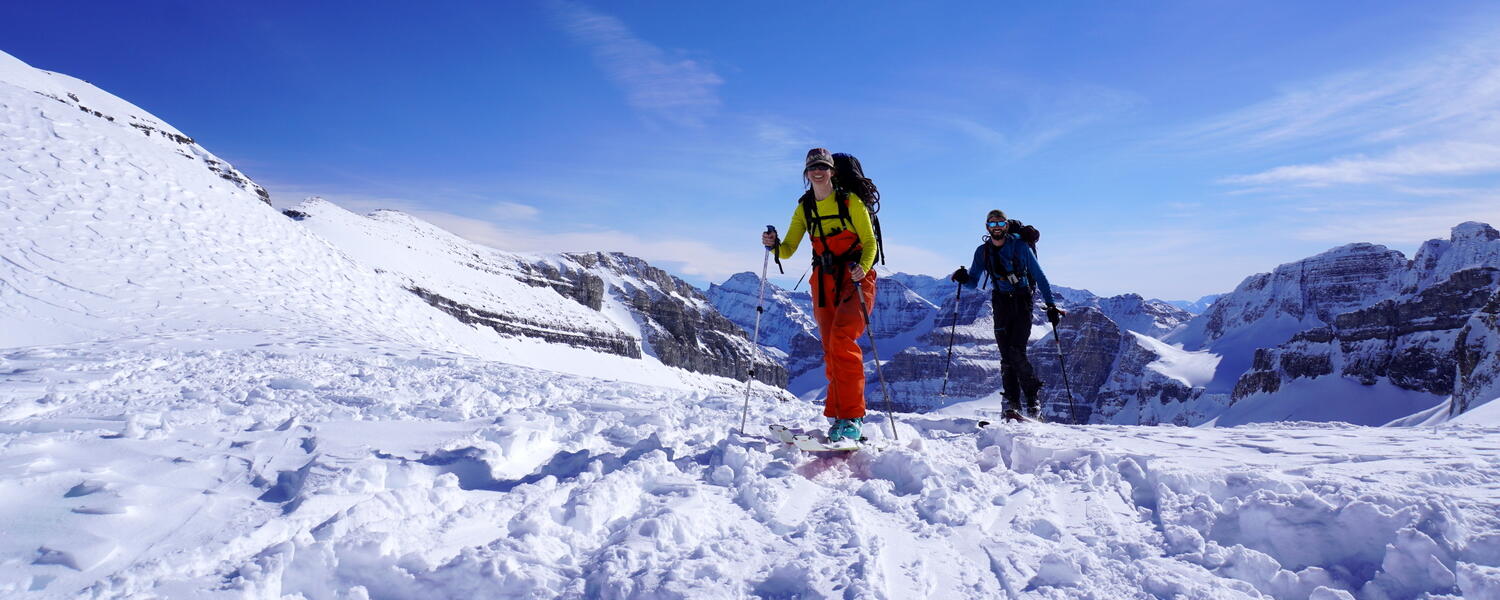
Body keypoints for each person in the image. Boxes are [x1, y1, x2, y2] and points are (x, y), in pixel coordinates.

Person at [761, 148, 879, 442]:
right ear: (806, 172)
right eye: (813, 166)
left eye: (823, 166)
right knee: (830, 348)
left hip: (855, 279)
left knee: (842, 339)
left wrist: (862, 269)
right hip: (823, 282)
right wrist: (773, 244)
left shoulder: (850, 202)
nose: (818, 171)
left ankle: (853, 416)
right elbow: (787, 250)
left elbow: (869, 242)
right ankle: (840, 417)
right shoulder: (805, 208)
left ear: (832, 171)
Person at [950, 210, 1066, 421]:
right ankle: (1012, 404)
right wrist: (963, 278)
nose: (996, 226)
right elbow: (972, 283)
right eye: (992, 223)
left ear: (1006, 225)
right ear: (987, 227)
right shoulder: (982, 252)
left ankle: (1032, 402)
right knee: (1006, 356)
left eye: (1000, 222)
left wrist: (1051, 305)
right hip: (1000, 301)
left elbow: (1040, 276)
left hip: (1022, 301)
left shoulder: (1021, 247)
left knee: (1016, 351)